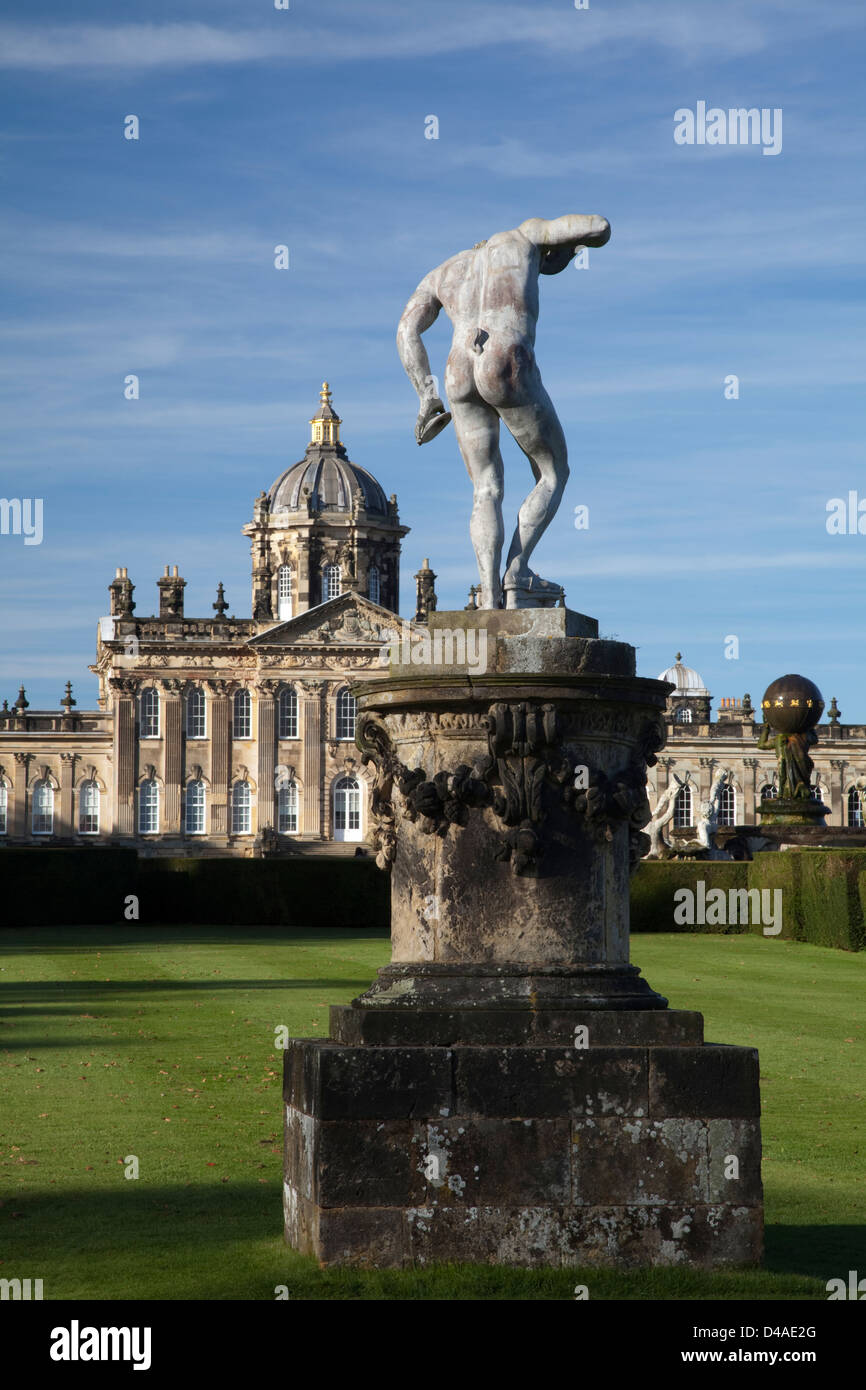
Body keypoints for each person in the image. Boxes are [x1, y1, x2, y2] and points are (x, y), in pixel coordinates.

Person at [397, 214, 611, 609]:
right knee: (553, 472)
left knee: (485, 488)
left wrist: (427, 396)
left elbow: (407, 330)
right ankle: (518, 572)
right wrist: (576, 238)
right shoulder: (528, 235)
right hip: (505, 355)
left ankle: (489, 597)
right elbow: (598, 226)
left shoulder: (445, 270)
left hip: (457, 366)